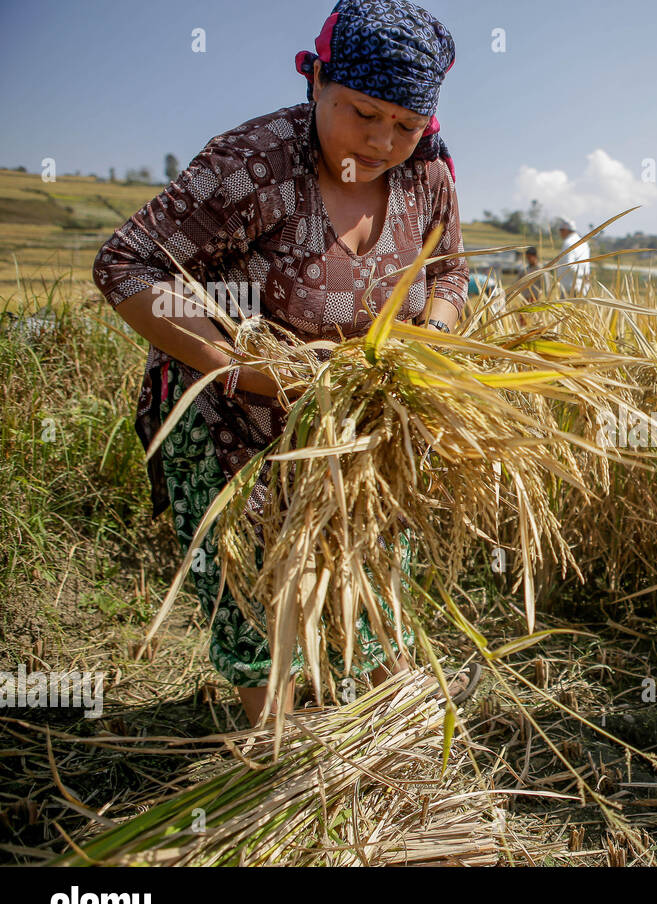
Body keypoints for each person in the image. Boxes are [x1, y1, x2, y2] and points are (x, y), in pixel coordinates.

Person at [92, 0, 480, 727]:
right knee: (257, 586)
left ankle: (384, 723)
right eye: (362, 112)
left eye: (406, 123)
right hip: (230, 419)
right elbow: (127, 265)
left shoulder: (428, 175)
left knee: (365, 562)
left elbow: (452, 272)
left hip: (353, 427)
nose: (383, 139)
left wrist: (431, 332)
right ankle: (278, 755)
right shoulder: (252, 165)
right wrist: (238, 368)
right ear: (317, 82)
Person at [554, 217, 591, 295]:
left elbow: (569, 264)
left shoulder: (568, 243)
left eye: (561, 230)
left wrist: (580, 275)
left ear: (566, 230)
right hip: (582, 287)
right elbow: (586, 266)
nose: (560, 233)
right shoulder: (584, 243)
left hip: (570, 287)